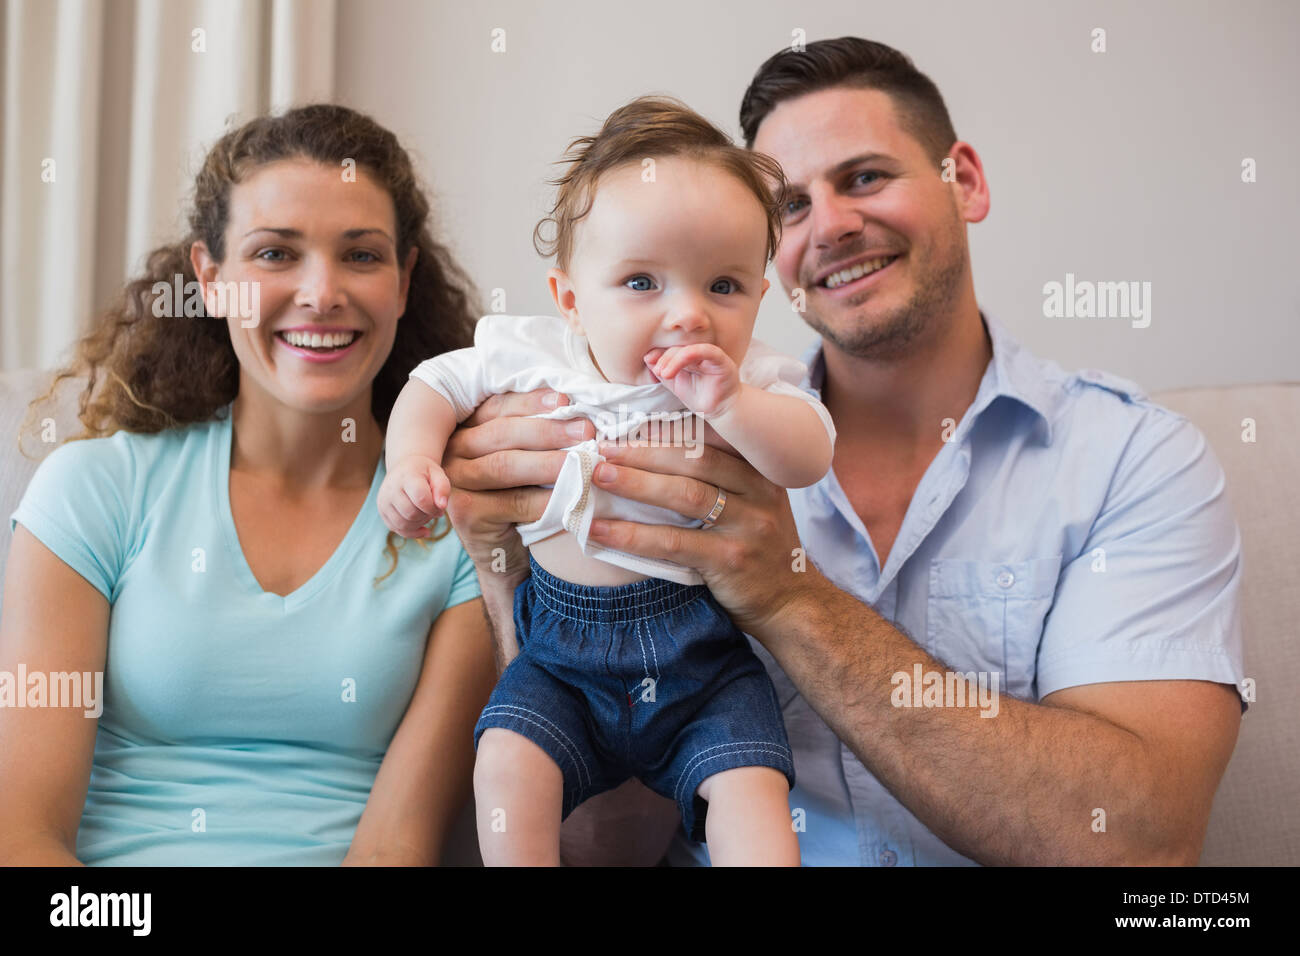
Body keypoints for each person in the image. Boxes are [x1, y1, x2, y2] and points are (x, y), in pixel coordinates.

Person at [438, 38, 1246, 866]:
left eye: (865, 177)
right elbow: (602, 848)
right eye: (790, 206)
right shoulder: (642, 437)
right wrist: (505, 561)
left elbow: (1137, 843)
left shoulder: (1132, 459)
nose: (831, 226)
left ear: (962, 180)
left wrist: (789, 600)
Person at [0, 104, 496, 866]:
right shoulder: (95, 489)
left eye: (361, 256)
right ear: (211, 278)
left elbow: (396, 848)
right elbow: (19, 834)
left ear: (404, 280)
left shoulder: (458, 520)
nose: (321, 292)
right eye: (275, 255)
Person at [380, 97, 836, 865]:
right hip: (559, 655)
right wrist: (412, 462)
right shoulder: (536, 356)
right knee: (504, 760)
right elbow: (433, 384)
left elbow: (810, 452)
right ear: (571, 303)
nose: (688, 314)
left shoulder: (751, 378)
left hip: (701, 661)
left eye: (723, 286)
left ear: (760, 299)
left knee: (751, 783)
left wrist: (733, 404)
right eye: (641, 283)